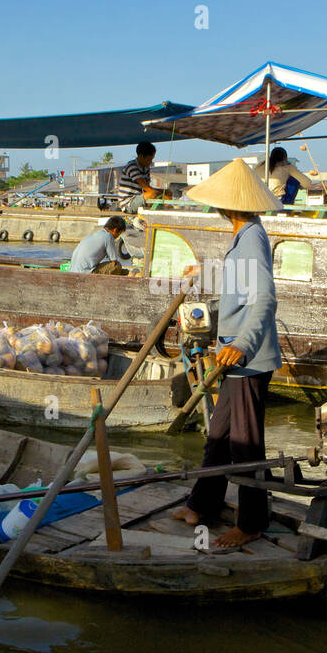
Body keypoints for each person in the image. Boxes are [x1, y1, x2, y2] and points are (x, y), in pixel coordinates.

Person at [172, 157, 283, 548]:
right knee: (218, 436)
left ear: (225, 205)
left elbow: (264, 300)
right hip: (234, 358)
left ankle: (252, 522)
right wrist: (204, 275)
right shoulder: (243, 235)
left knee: (246, 445)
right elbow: (241, 292)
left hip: (248, 361)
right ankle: (202, 503)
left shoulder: (251, 237)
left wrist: (241, 344)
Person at [118, 141, 160, 212]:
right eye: (149, 159)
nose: (150, 162)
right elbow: (145, 187)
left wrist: (163, 193)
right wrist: (159, 194)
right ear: (141, 156)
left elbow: (148, 187)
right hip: (128, 203)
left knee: (165, 192)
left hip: (139, 198)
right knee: (152, 194)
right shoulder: (132, 166)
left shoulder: (146, 168)